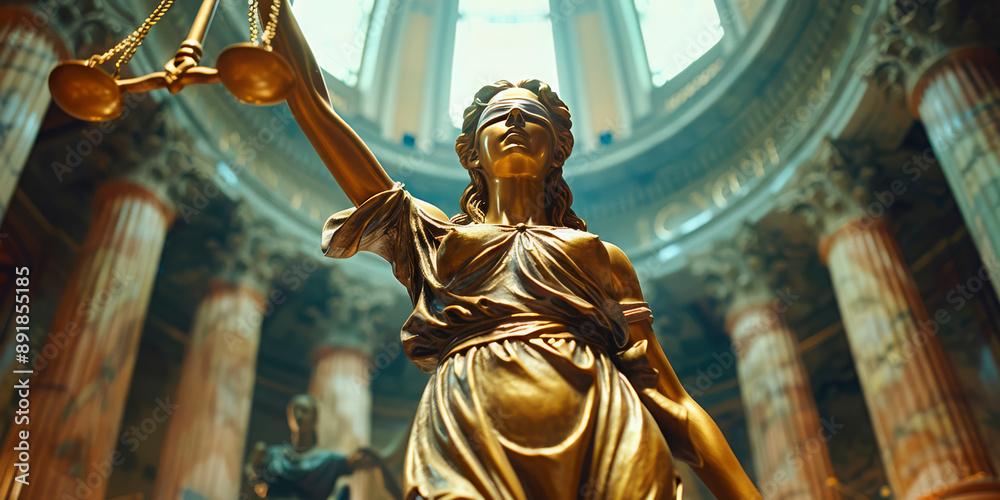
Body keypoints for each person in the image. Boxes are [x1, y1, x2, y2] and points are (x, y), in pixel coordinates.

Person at [258, 2, 762, 498]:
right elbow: (313, 105)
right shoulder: (435, 241)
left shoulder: (599, 256)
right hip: (467, 431)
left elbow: (671, 402)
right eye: (500, 117)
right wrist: (272, 9)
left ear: (559, 149)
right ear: (473, 152)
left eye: (531, 117)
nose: (516, 121)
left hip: (608, 437)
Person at [245, 394, 402, 500]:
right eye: (294, 411)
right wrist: (256, 480)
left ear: (315, 418)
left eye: (304, 411)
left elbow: (386, 458)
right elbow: (251, 473)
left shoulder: (328, 461)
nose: (299, 416)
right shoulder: (271, 454)